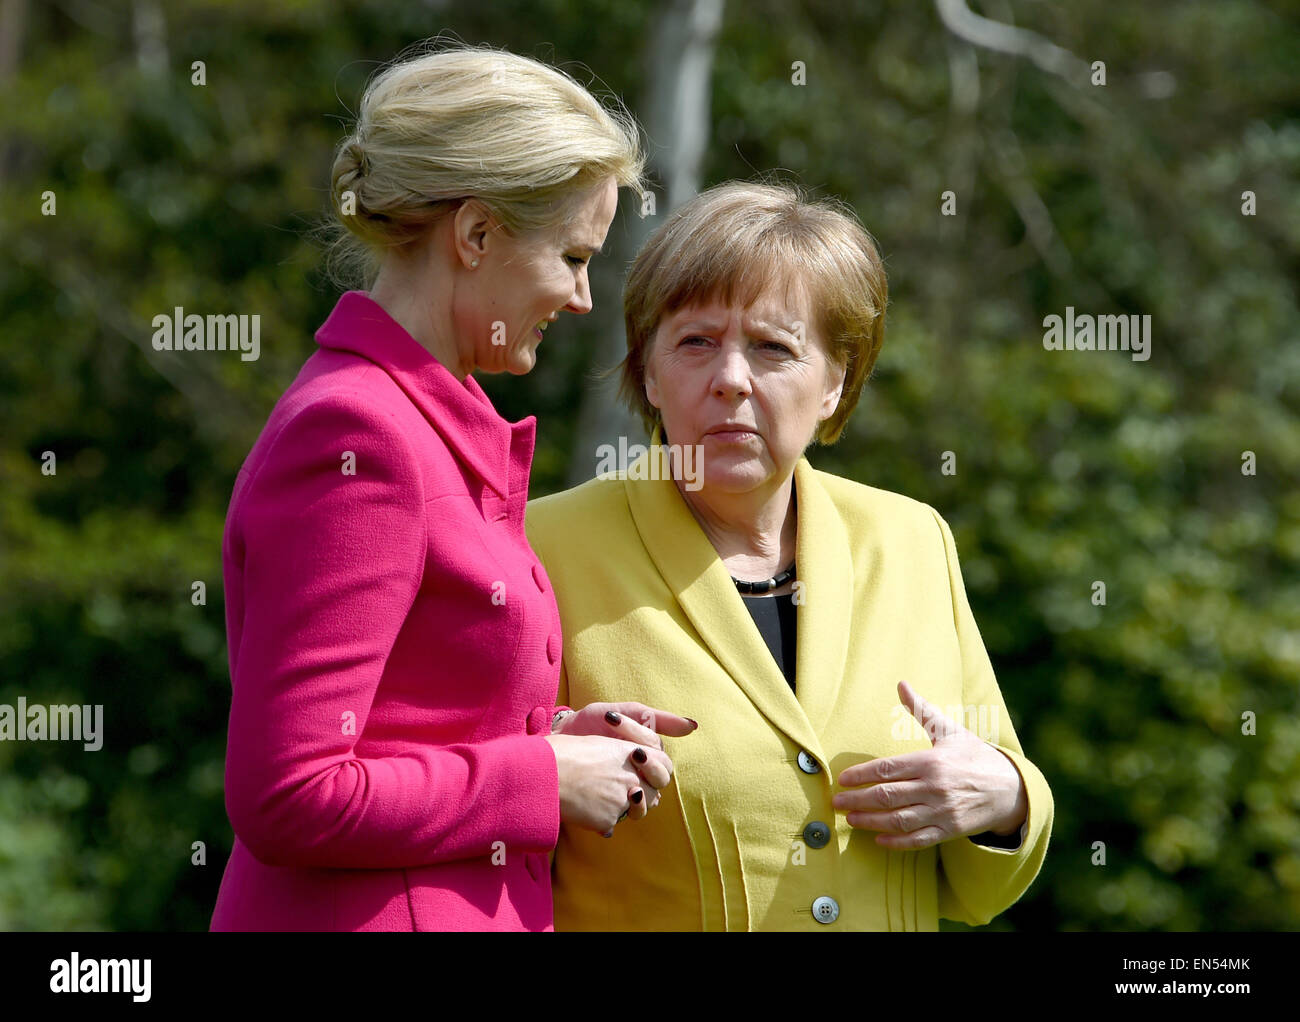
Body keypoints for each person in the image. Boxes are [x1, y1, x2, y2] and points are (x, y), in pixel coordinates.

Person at [210, 42, 692, 933]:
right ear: (475, 236)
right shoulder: (357, 435)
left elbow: (408, 723)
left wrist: (555, 739)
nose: (583, 298)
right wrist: (540, 777)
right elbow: (289, 794)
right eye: (572, 256)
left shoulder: (415, 420)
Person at [526, 180, 1054, 930]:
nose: (730, 380)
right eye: (695, 342)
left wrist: (1005, 797)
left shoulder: (913, 539)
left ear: (836, 381)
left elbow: (983, 878)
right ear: (648, 371)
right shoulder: (541, 548)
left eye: (773, 348)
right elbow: (489, 827)